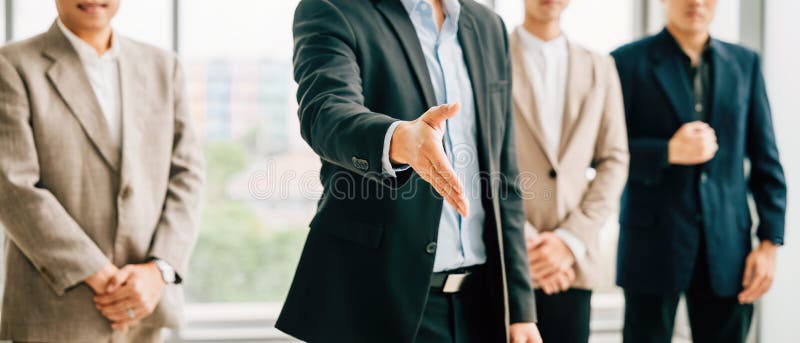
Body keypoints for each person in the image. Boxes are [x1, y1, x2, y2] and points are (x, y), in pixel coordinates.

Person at [277, 0, 541, 342]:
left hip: (483, 305)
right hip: (375, 302)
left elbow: (504, 174)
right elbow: (325, 112)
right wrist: (398, 139)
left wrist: (519, 309)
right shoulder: (332, 8)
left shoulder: (488, 25)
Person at [0, 0, 205, 342]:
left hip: (145, 305)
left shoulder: (163, 67)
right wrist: (100, 275)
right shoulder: (12, 66)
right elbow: (12, 185)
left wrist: (158, 270)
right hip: (54, 310)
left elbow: (188, 175)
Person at [612, 0, 787, 342]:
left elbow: (767, 162)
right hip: (651, 246)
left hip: (728, 249)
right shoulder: (625, 62)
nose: (696, 2)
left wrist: (769, 245)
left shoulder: (745, 64)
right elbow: (602, 154)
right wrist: (666, 152)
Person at [510, 0, 629, 342]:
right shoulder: (489, 57)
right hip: (509, 258)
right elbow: (475, 158)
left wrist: (569, 241)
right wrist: (527, 242)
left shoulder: (600, 66)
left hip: (573, 263)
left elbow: (614, 158)